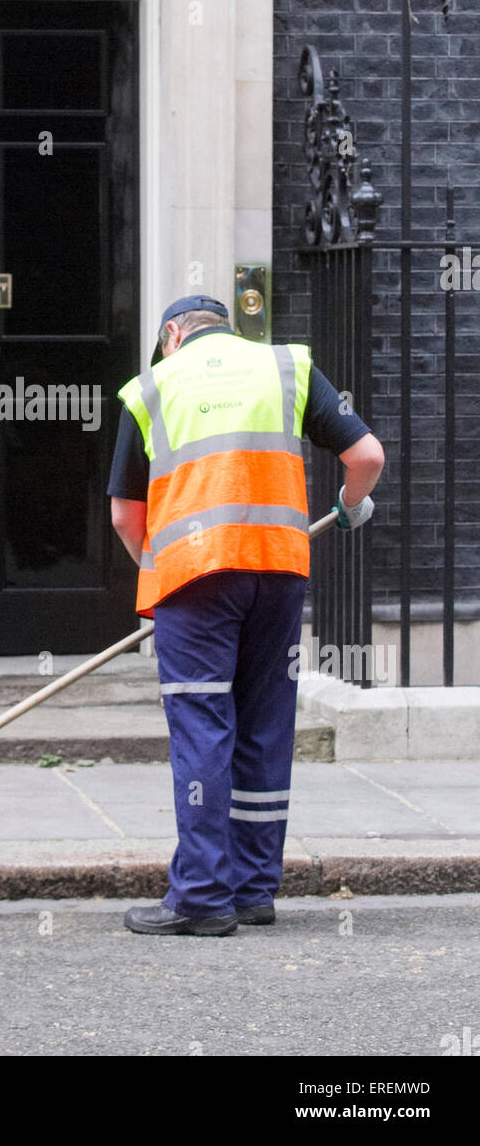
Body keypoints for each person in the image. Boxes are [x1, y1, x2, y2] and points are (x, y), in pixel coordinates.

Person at [108, 296, 385, 935]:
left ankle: (202, 897)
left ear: (172, 335)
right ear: (228, 329)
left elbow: (127, 515)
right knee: (264, 722)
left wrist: (159, 570)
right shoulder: (286, 367)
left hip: (196, 581)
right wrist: (349, 505)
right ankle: (254, 888)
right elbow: (365, 456)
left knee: (204, 725)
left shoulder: (150, 388)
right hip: (279, 570)